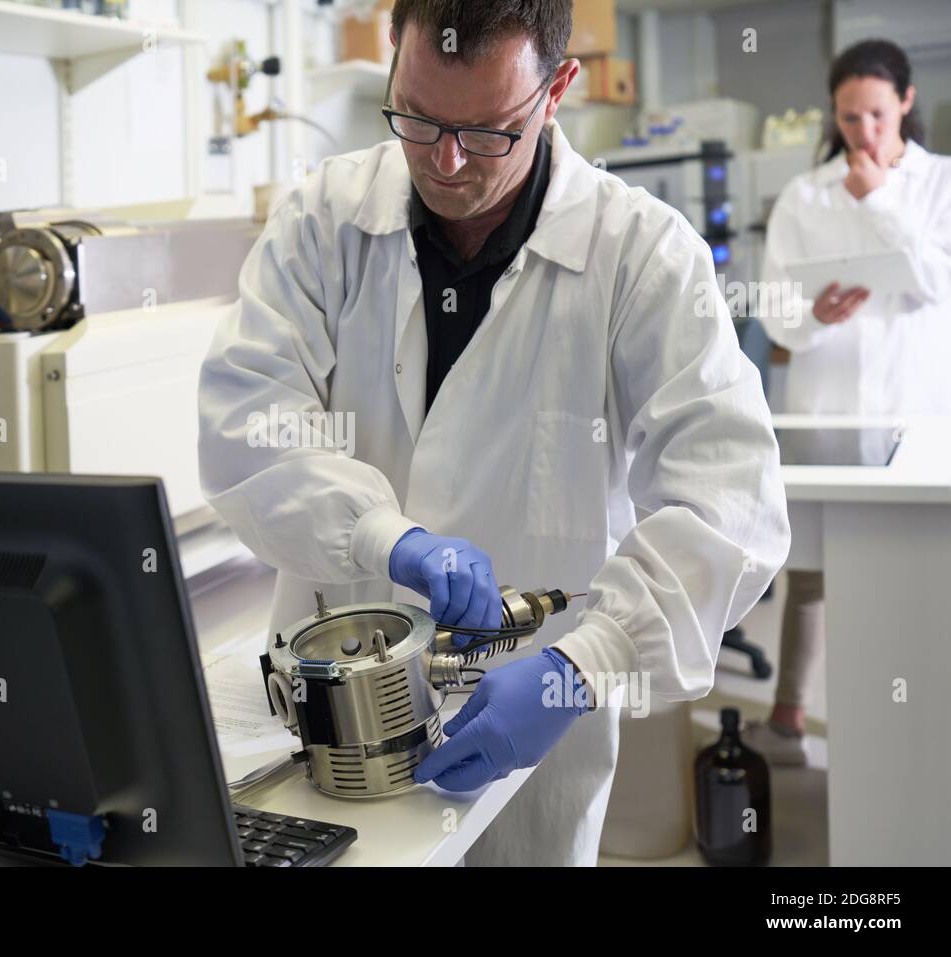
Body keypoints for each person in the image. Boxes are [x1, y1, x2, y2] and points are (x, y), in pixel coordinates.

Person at [199, 0, 790, 866]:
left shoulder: (644, 256)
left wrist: (583, 665)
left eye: (485, 133)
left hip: (525, 749)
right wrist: (380, 536)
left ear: (558, 89)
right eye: (419, 117)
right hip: (327, 729)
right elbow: (246, 415)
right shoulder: (325, 219)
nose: (444, 161)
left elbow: (731, 505)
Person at [753, 39, 951, 765]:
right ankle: (788, 717)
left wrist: (880, 202)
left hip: (917, 410)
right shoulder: (805, 195)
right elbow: (775, 311)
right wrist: (815, 314)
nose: (862, 131)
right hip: (826, 408)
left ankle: (913, 723)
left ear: (903, 102)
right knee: (810, 570)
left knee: (914, 567)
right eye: (847, 116)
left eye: (874, 113)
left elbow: (939, 283)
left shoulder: (938, 185)